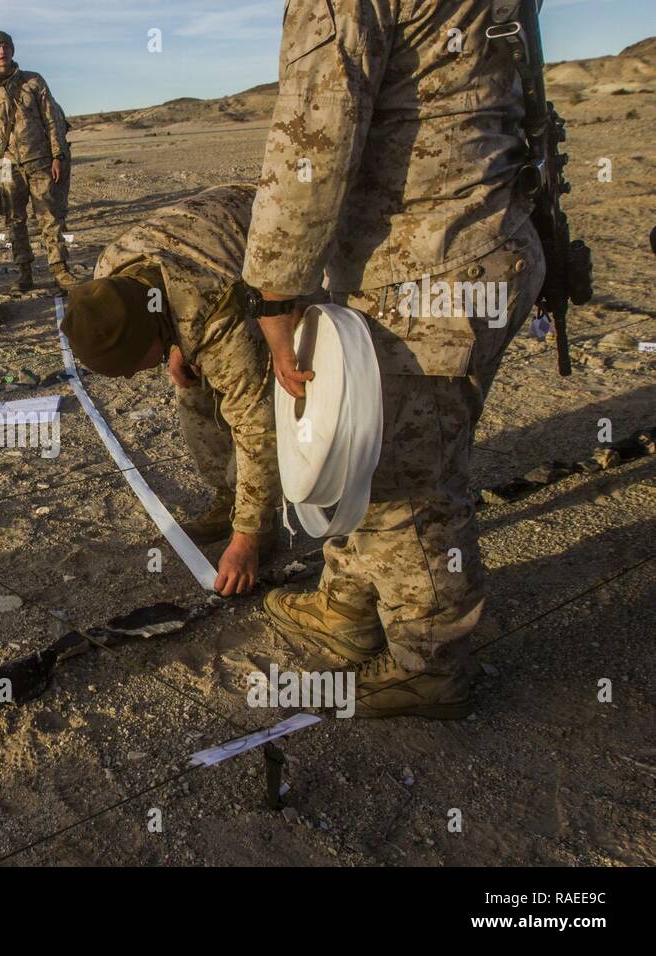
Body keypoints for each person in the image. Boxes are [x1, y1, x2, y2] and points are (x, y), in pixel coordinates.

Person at [243, 0, 546, 718]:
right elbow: (525, 93)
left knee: (407, 481)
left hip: (424, 270)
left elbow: (312, 139)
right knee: (365, 454)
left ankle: (429, 662)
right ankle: (348, 608)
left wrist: (275, 295)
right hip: (488, 245)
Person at [60, 185, 280, 595]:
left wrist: (247, 538)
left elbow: (259, 426)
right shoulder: (110, 275)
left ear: (150, 336)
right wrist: (176, 345)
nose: (131, 379)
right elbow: (161, 304)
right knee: (191, 386)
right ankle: (228, 496)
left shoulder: (217, 315)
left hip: (266, 231)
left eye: (134, 365)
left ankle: (259, 526)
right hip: (202, 252)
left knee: (270, 400)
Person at [0, 30, 77, 291]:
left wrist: (58, 155)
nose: (1, 51)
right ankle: (24, 273)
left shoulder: (33, 81)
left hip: (39, 159)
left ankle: (60, 270)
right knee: (13, 219)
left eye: (5, 46)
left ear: (12, 50)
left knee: (50, 216)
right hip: (6, 166)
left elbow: (52, 120)